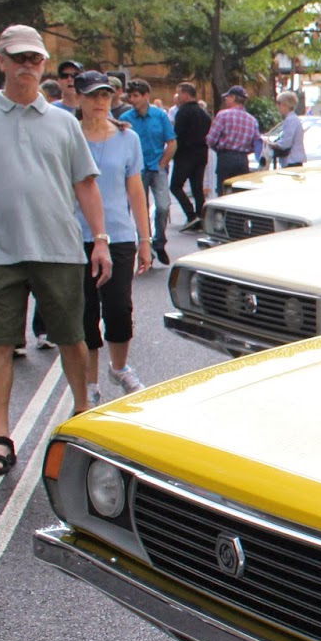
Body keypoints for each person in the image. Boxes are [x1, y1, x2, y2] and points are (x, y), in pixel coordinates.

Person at [0, 25, 112, 476]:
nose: (27, 66)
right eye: (18, 58)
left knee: (72, 339)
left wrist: (100, 241)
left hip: (59, 249)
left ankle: (82, 417)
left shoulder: (63, 122)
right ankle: (1, 437)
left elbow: (86, 183)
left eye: (35, 59)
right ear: (0, 61)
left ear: (43, 64)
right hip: (0, 252)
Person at [74, 71, 153, 404]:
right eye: (92, 96)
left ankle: (118, 367)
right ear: (78, 97)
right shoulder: (69, 135)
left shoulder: (127, 138)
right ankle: (90, 383)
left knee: (119, 308)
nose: (99, 103)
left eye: (105, 96)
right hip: (76, 235)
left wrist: (145, 238)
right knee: (85, 311)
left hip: (119, 234)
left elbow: (135, 189)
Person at [116, 78, 176, 265]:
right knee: (139, 209)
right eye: (130, 96)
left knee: (163, 205)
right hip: (136, 170)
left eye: (136, 96)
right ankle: (146, 244)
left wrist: (163, 162)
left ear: (146, 96)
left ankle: (159, 241)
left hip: (156, 167)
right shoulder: (126, 119)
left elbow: (172, 142)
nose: (132, 100)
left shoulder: (159, 116)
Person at [169, 82, 210, 232]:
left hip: (185, 154)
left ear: (186, 95)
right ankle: (201, 216)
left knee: (175, 186)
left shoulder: (183, 112)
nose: (178, 97)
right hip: (201, 154)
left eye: (179, 94)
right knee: (197, 187)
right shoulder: (203, 112)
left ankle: (191, 215)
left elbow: (177, 134)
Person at [206, 84, 258, 191]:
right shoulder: (252, 120)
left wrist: (218, 147)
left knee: (224, 191)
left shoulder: (223, 115)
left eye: (228, 97)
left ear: (233, 98)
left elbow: (211, 139)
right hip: (243, 160)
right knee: (239, 192)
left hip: (226, 157)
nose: (226, 99)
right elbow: (256, 144)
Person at [269, 91, 306, 168]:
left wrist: (270, 144)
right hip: (293, 160)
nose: (277, 106)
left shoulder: (291, 120)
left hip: (292, 161)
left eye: (279, 103)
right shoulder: (292, 119)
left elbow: (285, 144)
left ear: (286, 104)